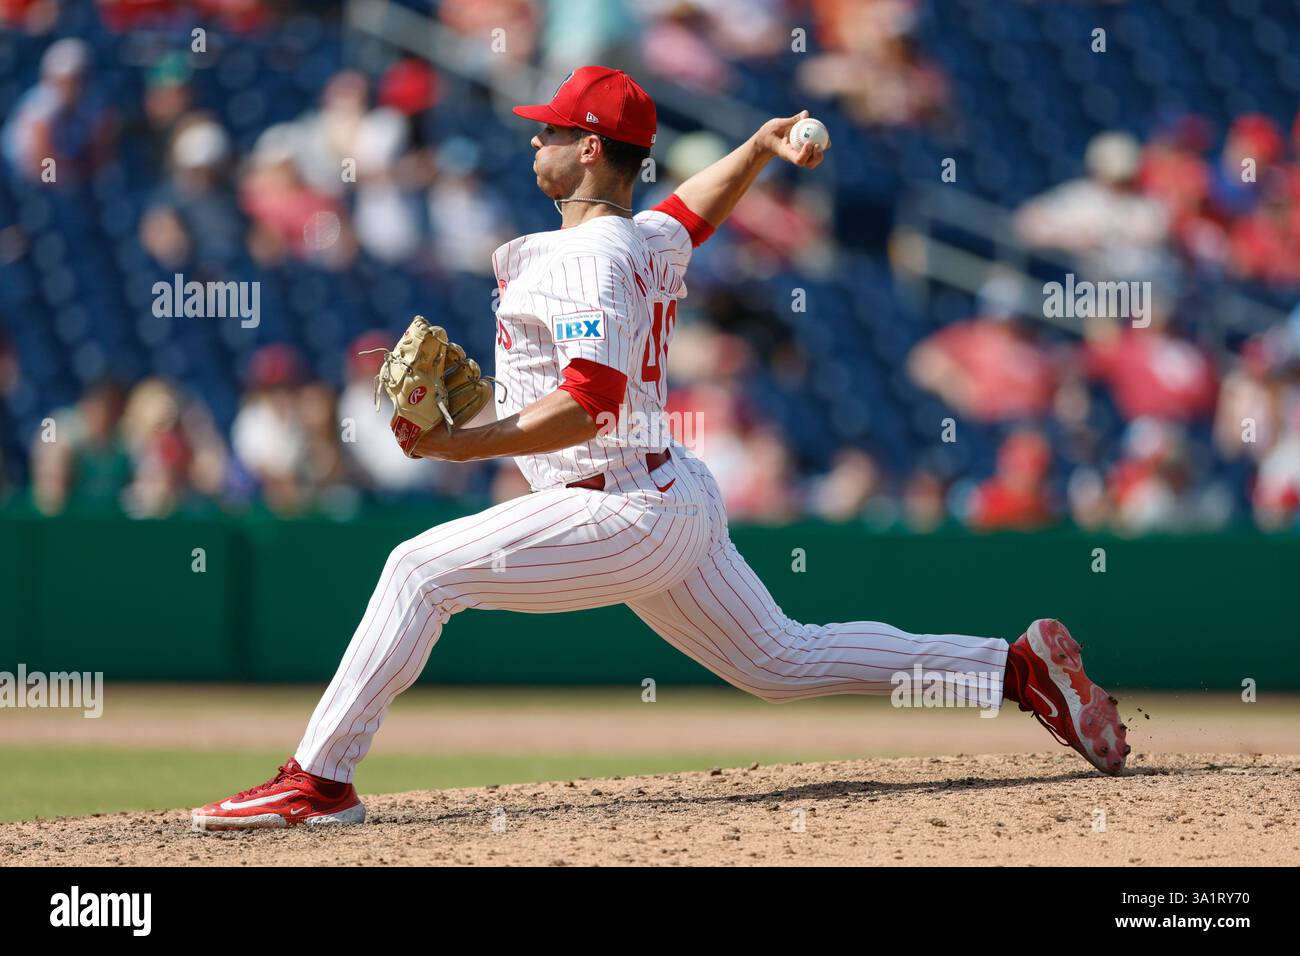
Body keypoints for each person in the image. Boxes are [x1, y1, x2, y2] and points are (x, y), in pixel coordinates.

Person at [193, 66, 1128, 831]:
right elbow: (691, 211)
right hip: (663, 491)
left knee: (417, 570)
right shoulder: (640, 240)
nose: (535, 142)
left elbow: (591, 404)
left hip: (621, 502)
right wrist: (761, 145)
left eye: (551, 131)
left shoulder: (590, 257)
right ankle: (1012, 668)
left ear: (590, 147)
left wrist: (459, 447)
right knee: (780, 662)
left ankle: (317, 781)